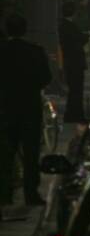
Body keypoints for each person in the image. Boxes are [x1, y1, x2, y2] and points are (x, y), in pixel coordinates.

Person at [0, 14, 52, 206]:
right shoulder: (35, 51)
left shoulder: (2, 51)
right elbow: (46, 78)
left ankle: (5, 194)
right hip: (30, 107)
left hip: (5, 107)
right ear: (24, 29)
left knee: (6, 154)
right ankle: (31, 193)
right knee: (31, 153)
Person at [58, 1, 88, 126]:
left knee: (74, 90)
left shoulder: (63, 26)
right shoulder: (70, 27)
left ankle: (71, 114)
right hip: (75, 62)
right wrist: (85, 37)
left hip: (69, 62)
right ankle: (76, 115)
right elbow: (79, 40)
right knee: (76, 90)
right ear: (73, 13)